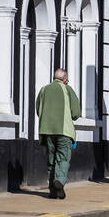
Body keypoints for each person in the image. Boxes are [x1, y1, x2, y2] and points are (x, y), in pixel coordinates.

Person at [36, 67, 80, 199]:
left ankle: (54, 191)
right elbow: (76, 113)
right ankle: (59, 181)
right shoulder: (67, 89)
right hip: (64, 130)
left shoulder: (43, 89)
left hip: (47, 131)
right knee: (63, 158)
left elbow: (39, 110)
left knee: (51, 160)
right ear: (65, 79)